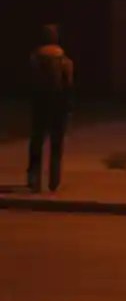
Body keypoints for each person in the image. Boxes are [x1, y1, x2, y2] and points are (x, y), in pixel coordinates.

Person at [28, 24, 74, 193]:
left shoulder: (35, 57)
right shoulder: (64, 60)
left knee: (37, 141)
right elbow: (68, 85)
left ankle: (34, 178)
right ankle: (54, 180)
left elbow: (31, 82)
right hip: (58, 105)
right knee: (56, 144)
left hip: (40, 103)